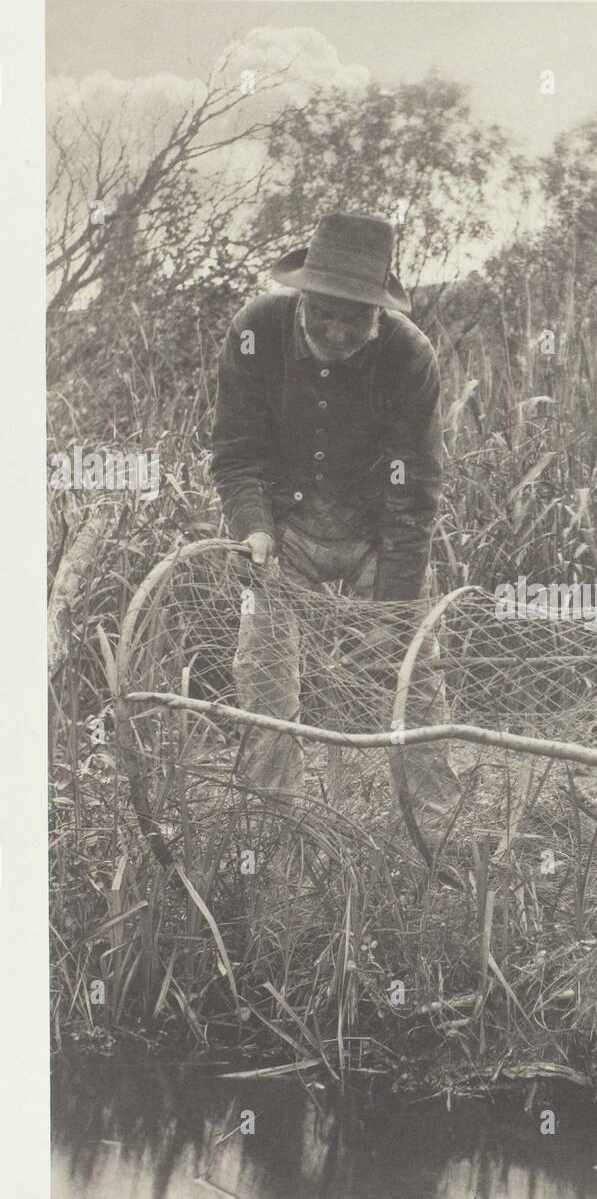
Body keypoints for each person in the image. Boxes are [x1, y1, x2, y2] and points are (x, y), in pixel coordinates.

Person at [210, 212, 461, 845]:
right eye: (324, 312)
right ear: (301, 296)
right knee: (262, 675)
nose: (338, 330)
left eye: (357, 317)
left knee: (415, 676)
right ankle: (270, 837)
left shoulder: (409, 355)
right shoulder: (255, 333)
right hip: (283, 533)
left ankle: (433, 841)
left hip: (375, 531)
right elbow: (237, 455)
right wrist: (254, 529)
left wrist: (394, 608)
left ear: (380, 311)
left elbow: (414, 489)